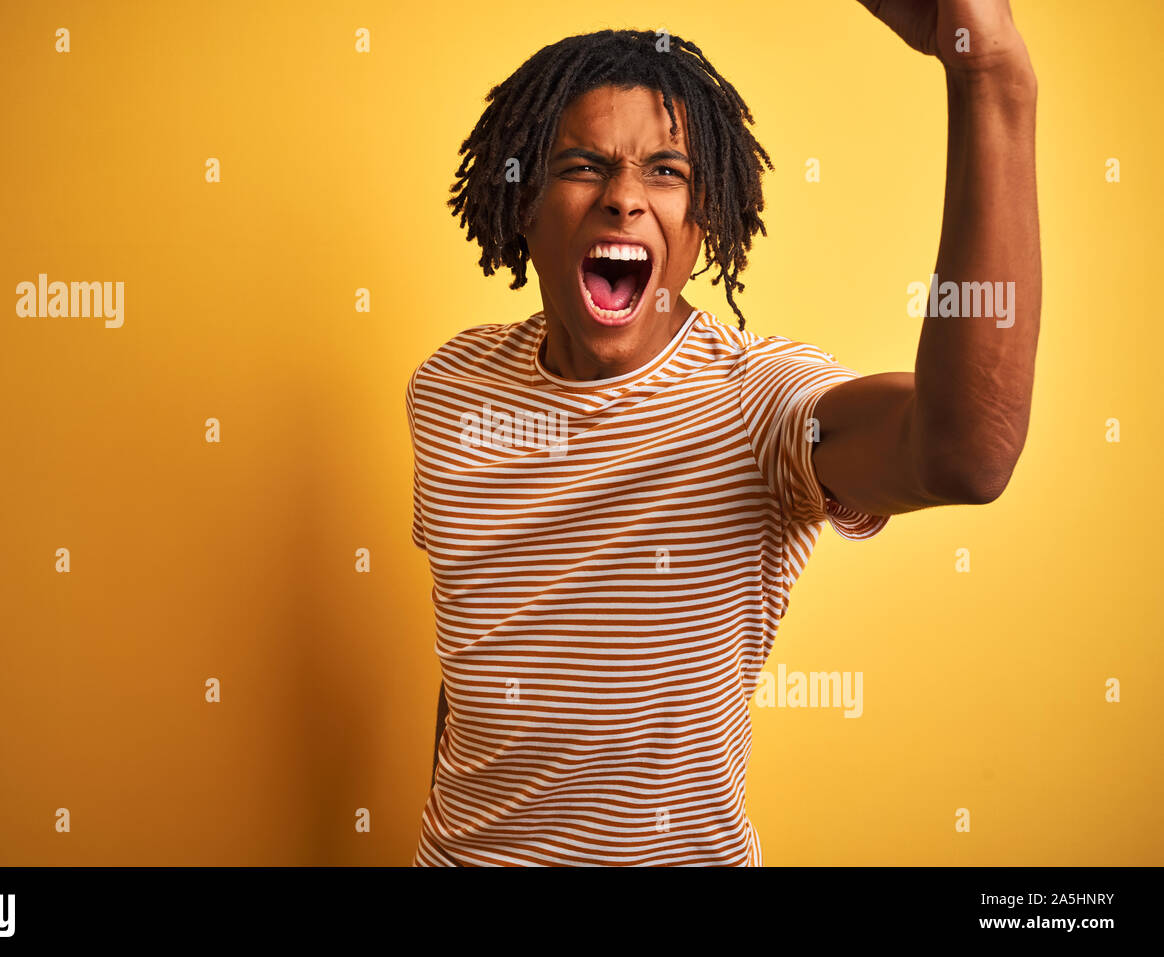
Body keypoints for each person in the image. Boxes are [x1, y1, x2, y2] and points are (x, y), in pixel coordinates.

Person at [407, 0, 1039, 865]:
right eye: (584, 166)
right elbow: (478, 655)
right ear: (523, 204)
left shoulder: (758, 405)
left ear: (705, 220)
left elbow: (965, 450)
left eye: (665, 172)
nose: (625, 197)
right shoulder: (448, 388)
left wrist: (990, 78)